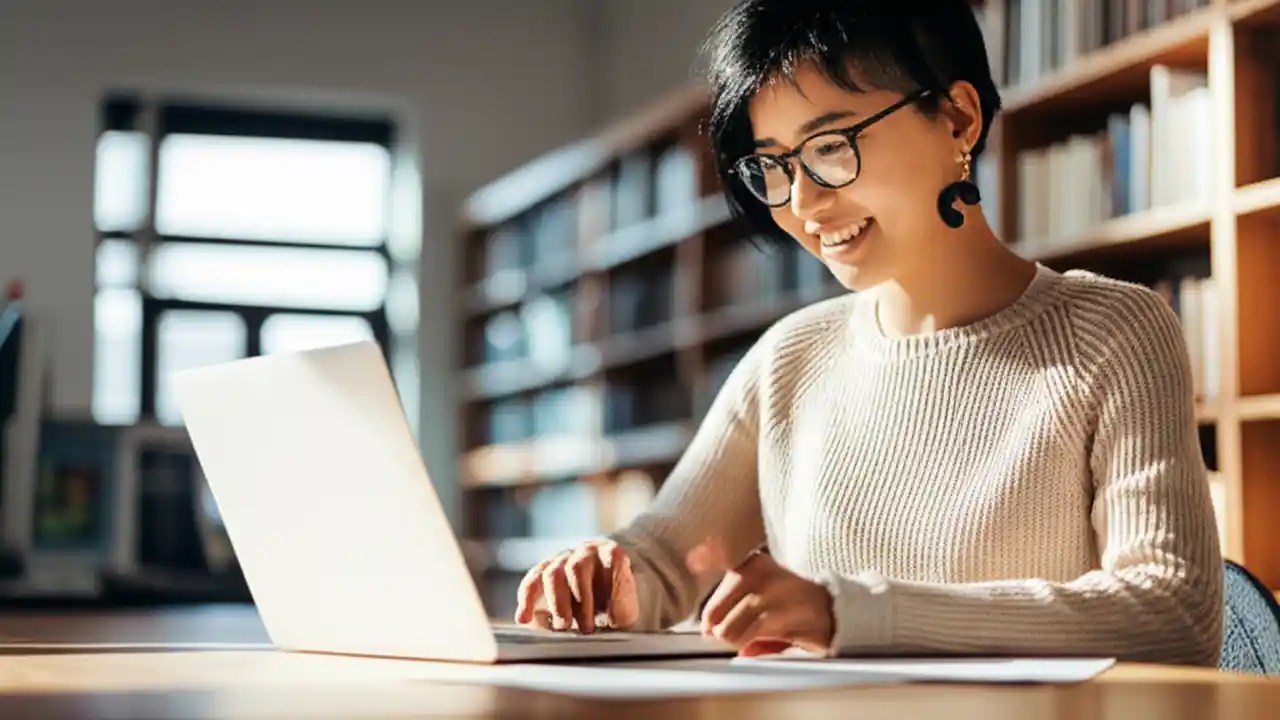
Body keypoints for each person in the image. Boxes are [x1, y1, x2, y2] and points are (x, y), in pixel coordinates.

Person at [513, 0, 1223, 665]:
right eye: (775, 165)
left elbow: (1172, 612)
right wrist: (609, 580)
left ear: (957, 119)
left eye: (830, 146)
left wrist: (850, 613)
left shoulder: (1115, 334)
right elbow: (668, 558)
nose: (804, 202)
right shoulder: (790, 358)